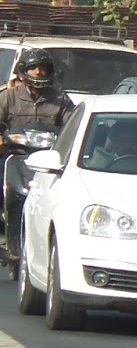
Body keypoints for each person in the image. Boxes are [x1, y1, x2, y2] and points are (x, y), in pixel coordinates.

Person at [0, 48, 74, 259]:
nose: (39, 72)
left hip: (48, 159)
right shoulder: (8, 96)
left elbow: (71, 127)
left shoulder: (60, 99)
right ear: (24, 72)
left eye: (43, 67)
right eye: (33, 68)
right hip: (12, 155)